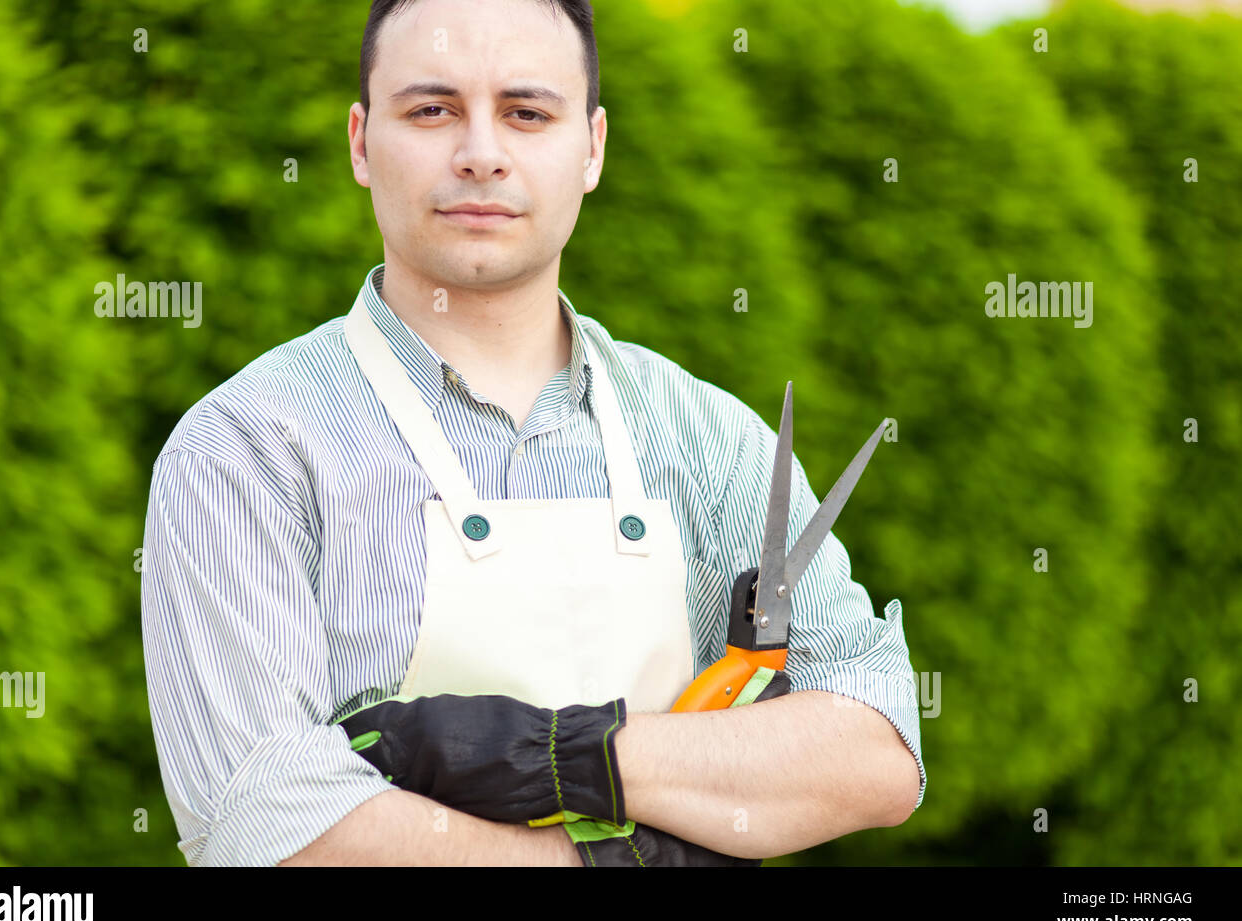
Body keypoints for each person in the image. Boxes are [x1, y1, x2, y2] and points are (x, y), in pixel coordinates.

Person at [140, 0, 925, 867]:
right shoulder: (247, 450)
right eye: (431, 110)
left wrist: (575, 757)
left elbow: (876, 741)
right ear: (360, 143)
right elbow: (269, 823)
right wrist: (606, 859)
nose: (481, 153)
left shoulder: (709, 439)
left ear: (591, 148)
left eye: (527, 112)